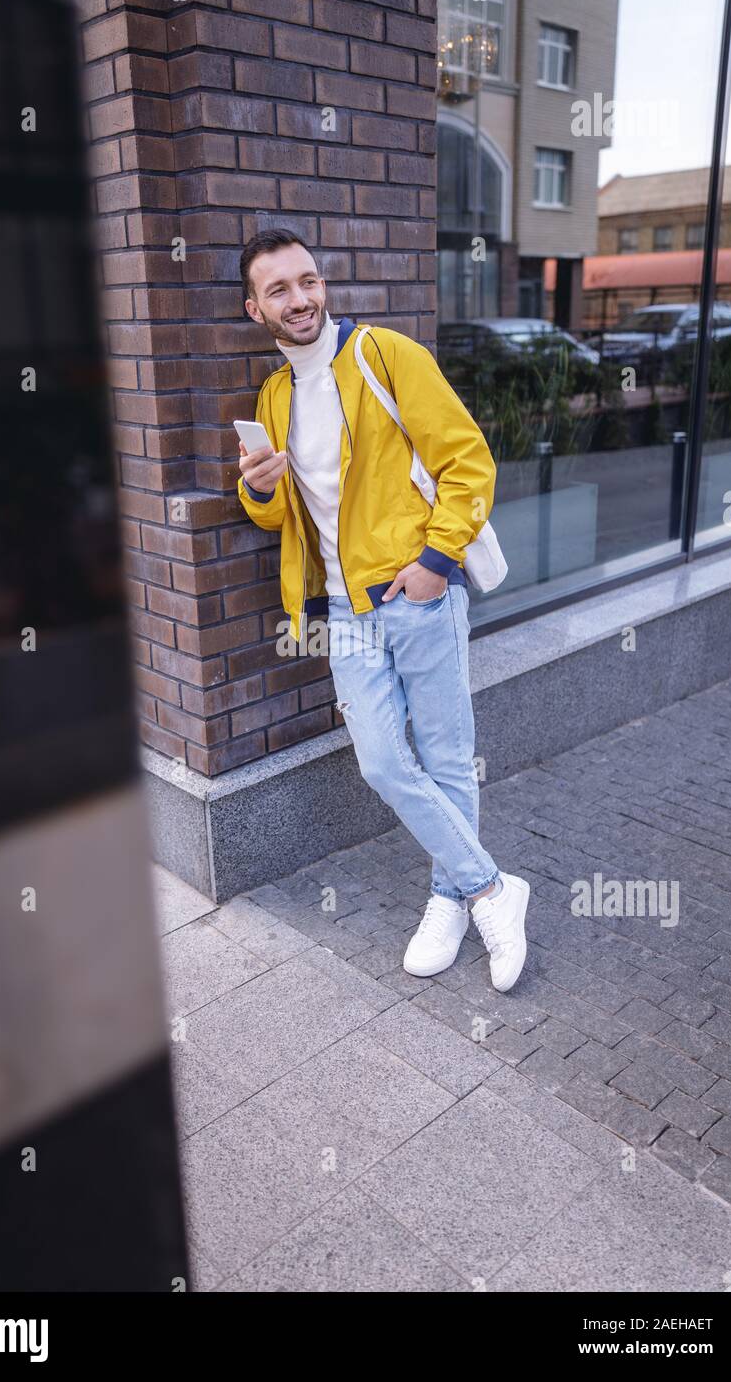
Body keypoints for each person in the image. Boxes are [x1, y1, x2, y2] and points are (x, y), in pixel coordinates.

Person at [236, 229, 528, 990]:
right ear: (255, 307)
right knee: (380, 761)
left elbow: (468, 462)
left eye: (307, 281)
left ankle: (447, 896)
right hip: (341, 607)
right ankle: (491, 887)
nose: (298, 299)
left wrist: (435, 563)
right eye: (279, 290)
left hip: (417, 597)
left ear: (322, 285)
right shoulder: (272, 396)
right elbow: (280, 519)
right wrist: (260, 488)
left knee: (444, 755)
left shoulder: (384, 355)